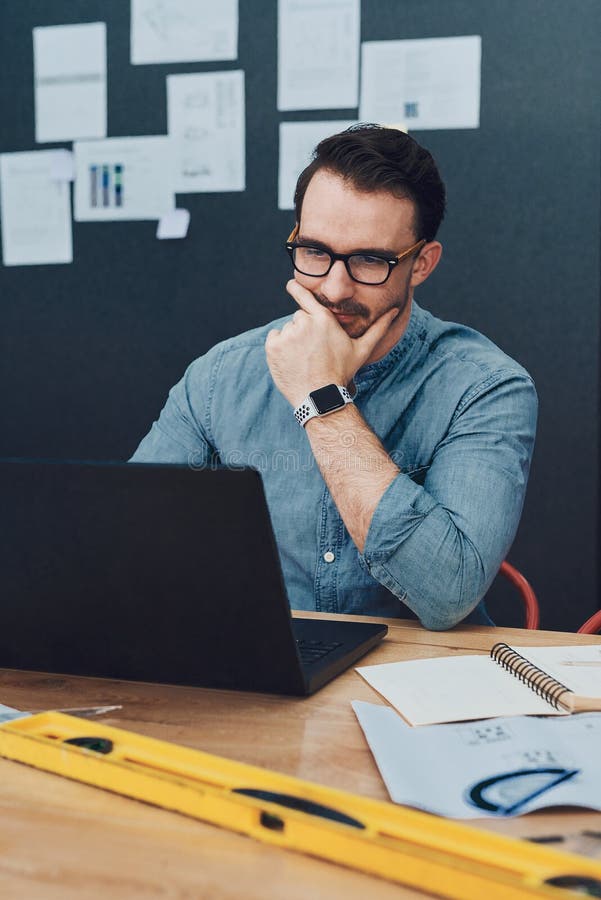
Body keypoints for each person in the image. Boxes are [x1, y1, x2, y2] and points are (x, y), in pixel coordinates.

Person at [131, 124, 537, 630]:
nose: (333, 287)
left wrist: (322, 399)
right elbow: (129, 550)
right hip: (262, 677)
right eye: (315, 252)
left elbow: (447, 594)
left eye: (370, 260)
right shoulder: (220, 377)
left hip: (415, 684)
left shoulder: (485, 388)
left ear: (422, 264)